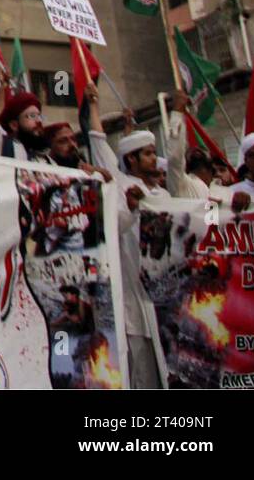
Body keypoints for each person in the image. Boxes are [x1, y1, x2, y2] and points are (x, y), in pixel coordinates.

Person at [81, 81, 160, 388]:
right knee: (138, 377)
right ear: (132, 160)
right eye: (149, 153)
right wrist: (94, 106)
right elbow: (100, 145)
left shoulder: (161, 193)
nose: (155, 159)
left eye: (155, 153)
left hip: (160, 302)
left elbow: (202, 217)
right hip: (130, 301)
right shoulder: (123, 187)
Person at [0, 90, 50, 162]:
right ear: (14, 125)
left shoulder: (47, 159)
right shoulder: (2, 147)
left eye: (40, 116)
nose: (39, 121)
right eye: (32, 116)